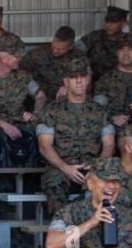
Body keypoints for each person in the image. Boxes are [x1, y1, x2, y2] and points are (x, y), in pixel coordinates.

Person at [36, 56, 113, 216]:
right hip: (61, 167)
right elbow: (45, 147)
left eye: (83, 76)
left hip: (92, 166)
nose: (79, 81)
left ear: (88, 79)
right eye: (73, 77)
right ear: (66, 81)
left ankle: (92, 229)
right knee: (53, 181)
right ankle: (62, 230)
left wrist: (96, 168)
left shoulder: (100, 111)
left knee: (108, 182)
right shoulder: (52, 110)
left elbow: (109, 145)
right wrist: (65, 168)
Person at [0, 41, 45, 192]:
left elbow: (40, 96)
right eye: (15, 56)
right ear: (4, 59)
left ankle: (38, 178)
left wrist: (34, 115)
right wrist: (4, 125)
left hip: (19, 120)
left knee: (44, 129)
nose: (19, 59)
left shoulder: (23, 77)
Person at [21, 26, 81, 102]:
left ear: (70, 47)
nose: (55, 51)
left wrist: (70, 87)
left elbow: (86, 81)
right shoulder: (38, 53)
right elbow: (19, 71)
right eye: (54, 47)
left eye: (60, 50)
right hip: (39, 99)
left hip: (63, 101)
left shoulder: (79, 57)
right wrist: (35, 89)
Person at [78, 5, 129, 84]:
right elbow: (76, 52)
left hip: (118, 83)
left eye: (113, 22)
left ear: (123, 24)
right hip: (93, 82)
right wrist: (87, 70)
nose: (108, 25)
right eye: (107, 21)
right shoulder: (94, 36)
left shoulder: (127, 41)